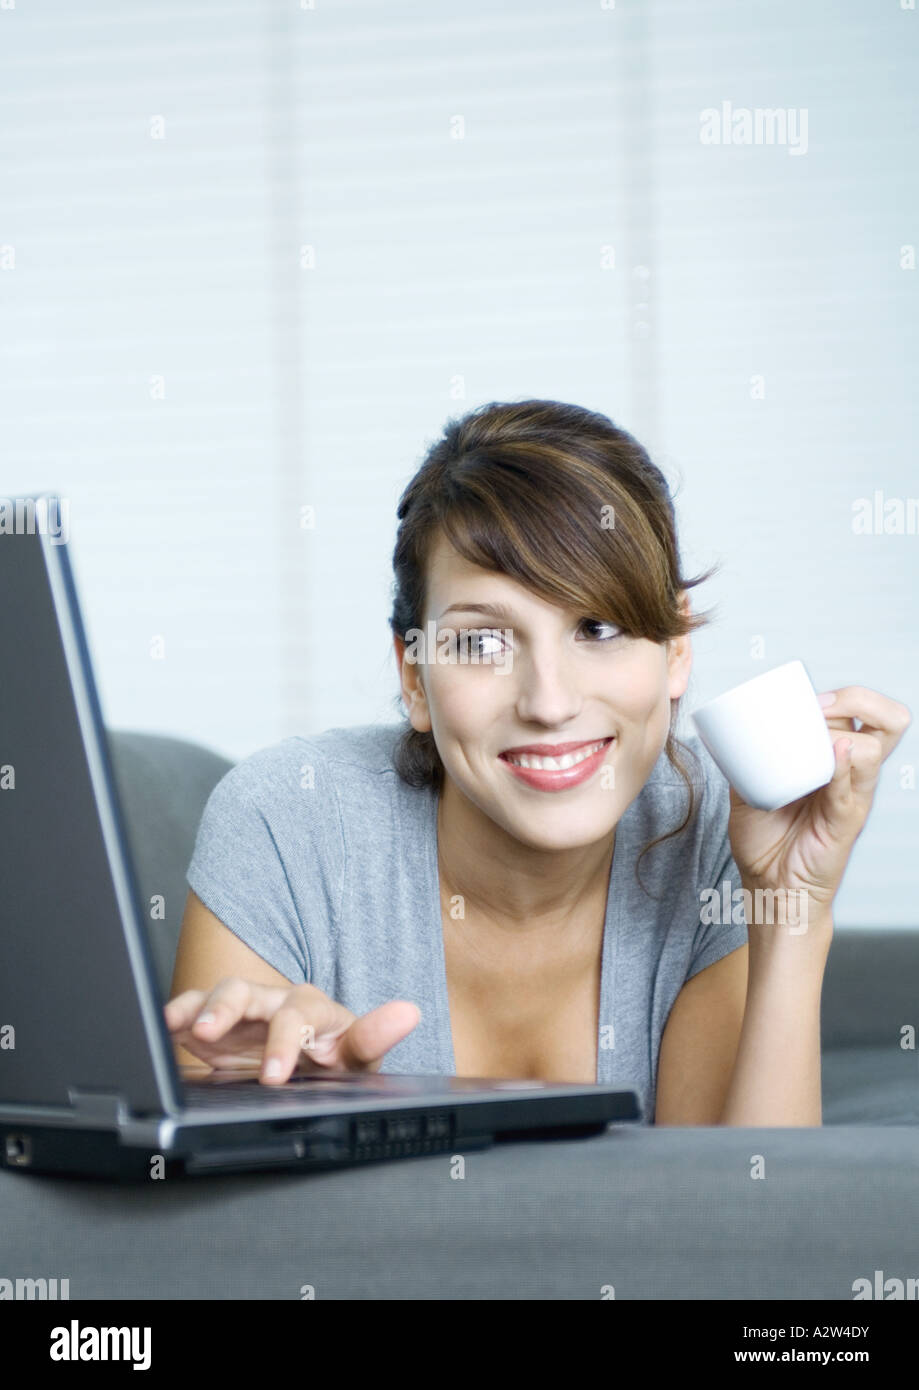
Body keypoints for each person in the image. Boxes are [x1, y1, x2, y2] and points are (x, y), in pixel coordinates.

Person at [164, 399, 911, 1124]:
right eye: (482, 643)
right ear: (414, 677)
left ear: (676, 652)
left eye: (600, 626)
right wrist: (307, 1119)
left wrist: (792, 913)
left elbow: (742, 1217)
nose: (549, 703)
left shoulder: (722, 821)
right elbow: (209, 1234)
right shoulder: (284, 820)